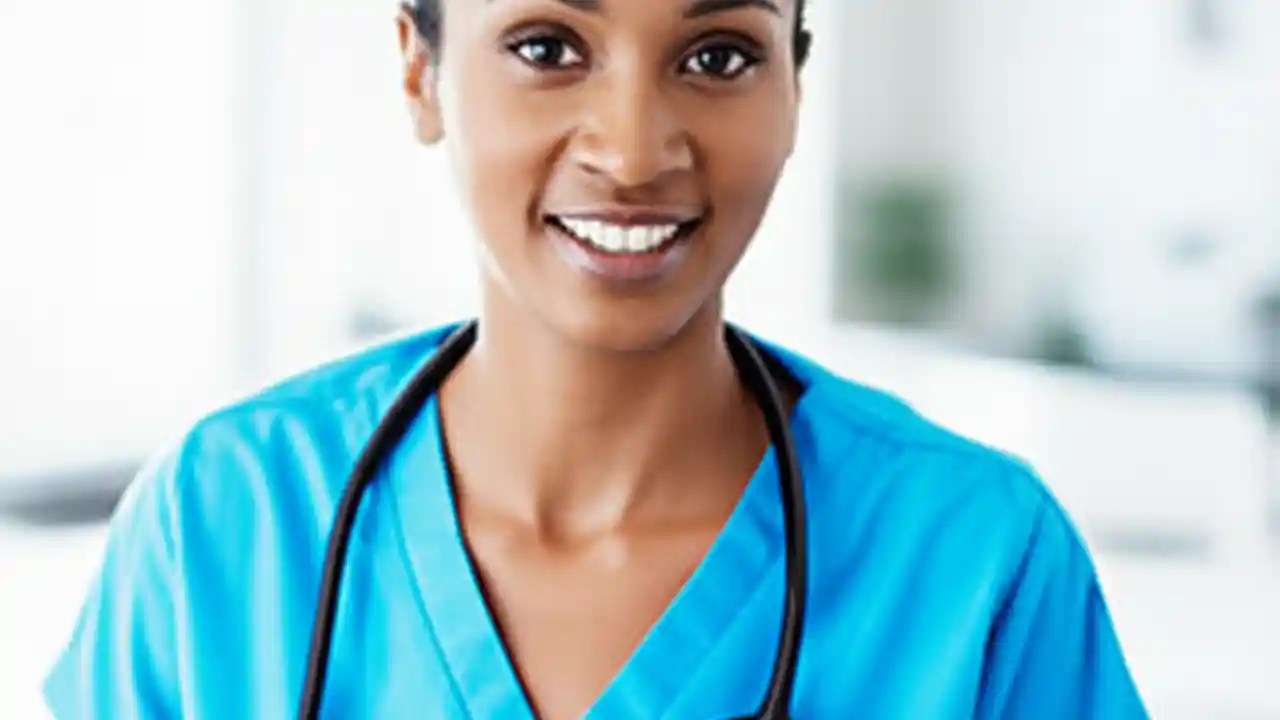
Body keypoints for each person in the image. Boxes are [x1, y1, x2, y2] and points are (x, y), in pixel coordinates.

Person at [43, 0, 1148, 717]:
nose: (632, 149)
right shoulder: (225, 523)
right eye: (546, 48)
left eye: (717, 56)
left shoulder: (973, 562)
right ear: (419, 74)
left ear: (793, 90)